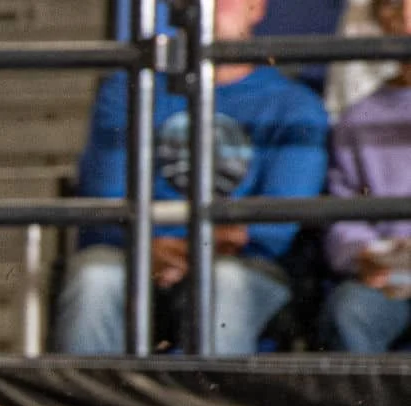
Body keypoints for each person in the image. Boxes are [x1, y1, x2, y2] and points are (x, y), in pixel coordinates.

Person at [53, 0, 328, 355]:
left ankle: (214, 395)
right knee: (94, 280)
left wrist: (186, 248)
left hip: (241, 263)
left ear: (257, 6)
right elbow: (107, 196)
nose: (212, 4)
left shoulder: (295, 104)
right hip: (135, 252)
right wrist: (152, 248)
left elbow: (276, 223)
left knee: (225, 284)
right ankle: (90, 393)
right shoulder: (130, 88)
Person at [322, 0, 411, 351]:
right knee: (351, 310)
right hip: (390, 276)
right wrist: (365, 254)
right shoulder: (357, 120)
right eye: (398, 12)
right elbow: (343, 212)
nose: (407, 24)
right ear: (386, 23)